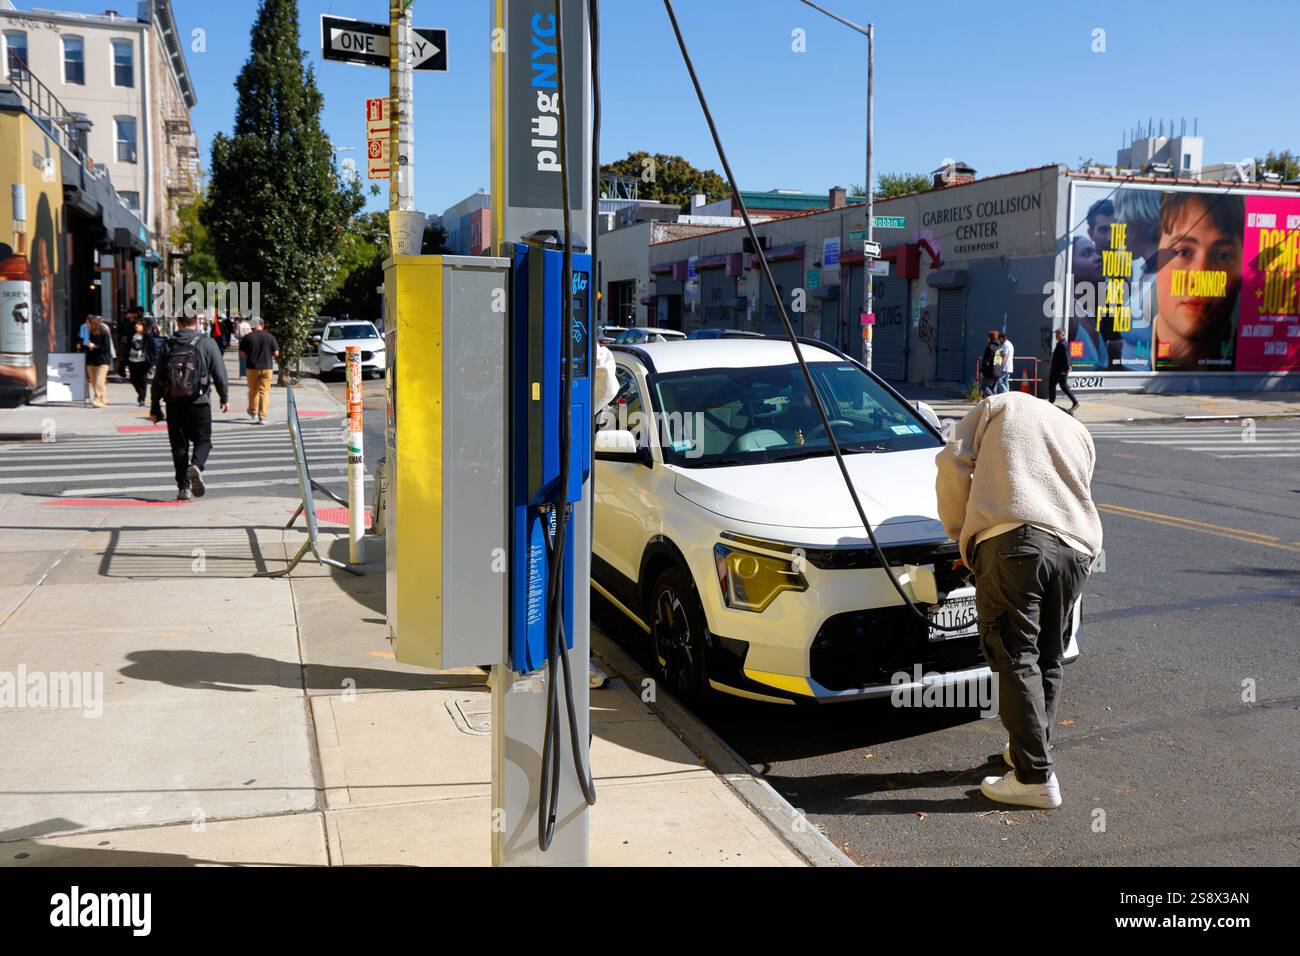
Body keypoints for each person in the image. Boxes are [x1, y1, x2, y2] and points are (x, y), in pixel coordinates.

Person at [935, 391, 1101, 808]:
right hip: (1078, 547)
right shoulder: (1077, 429)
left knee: (1012, 653)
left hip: (1016, 539)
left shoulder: (997, 405)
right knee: (1047, 656)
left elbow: (951, 459)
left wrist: (960, 534)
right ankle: (1027, 752)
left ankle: (1034, 778)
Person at [1152, 192, 1244, 371]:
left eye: (1222, 255)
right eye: (1183, 252)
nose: (1200, 276)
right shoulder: (1116, 358)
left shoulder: (1256, 364)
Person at [150, 313, 230, 500]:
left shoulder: (168, 344)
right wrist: (224, 397)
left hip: (174, 403)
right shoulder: (207, 343)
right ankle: (197, 465)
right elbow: (219, 372)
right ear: (197, 322)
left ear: (178, 323)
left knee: (179, 447)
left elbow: (159, 378)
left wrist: (155, 406)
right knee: (204, 441)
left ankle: (183, 488)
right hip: (199, 402)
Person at [239, 318, 279, 424]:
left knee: (253, 390)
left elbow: (242, 354)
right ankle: (262, 416)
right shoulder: (269, 337)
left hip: (252, 367)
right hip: (267, 367)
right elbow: (276, 353)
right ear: (262, 324)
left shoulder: (247, 337)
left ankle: (252, 411)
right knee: (264, 392)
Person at [125, 316, 158, 407]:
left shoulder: (147, 336)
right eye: (136, 324)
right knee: (133, 379)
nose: (137, 326)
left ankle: (142, 398)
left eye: (139, 324)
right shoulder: (131, 336)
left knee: (142, 380)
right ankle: (140, 393)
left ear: (143, 326)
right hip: (132, 360)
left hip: (143, 361)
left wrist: (153, 361)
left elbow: (153, 349)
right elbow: (127, 348)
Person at [80, 314, 112, 407]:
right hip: (91, 360)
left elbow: (106, 347)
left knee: (99, 381)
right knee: (94, 382)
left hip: (102, 361)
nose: (86, 325)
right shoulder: (87, 332)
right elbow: (82, 343)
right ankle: (103, 398)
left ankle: (98, 400)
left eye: (87, 323)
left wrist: (94, 346)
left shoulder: (104, 333)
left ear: (92, 323)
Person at [1047, 329, 1079, 412]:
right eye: (1056, 334)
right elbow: (1068, 356)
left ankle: (1051, 402)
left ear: (1063, 335)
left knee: (1053, 384)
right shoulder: (1062, 344)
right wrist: (1068, 366)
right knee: (1062, 386)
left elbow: (1066, 357)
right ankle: (1075, 402)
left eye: (1057, 334)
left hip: (1059, 371)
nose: (1056, 336)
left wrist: (1068, 366)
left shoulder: (1063, 345)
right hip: (1060, 370)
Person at [978, 330, 1003, 398]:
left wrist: (982, 371)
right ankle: (995, 406)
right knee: (993, 389)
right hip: (998, 371)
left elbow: (987, 361)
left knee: (983, 387)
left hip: (990, 371)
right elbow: (1000, 360)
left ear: (990, 338)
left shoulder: (990, 347)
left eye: (987, 337)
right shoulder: (1000, 347)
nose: (987, 339)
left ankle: (992, 399)